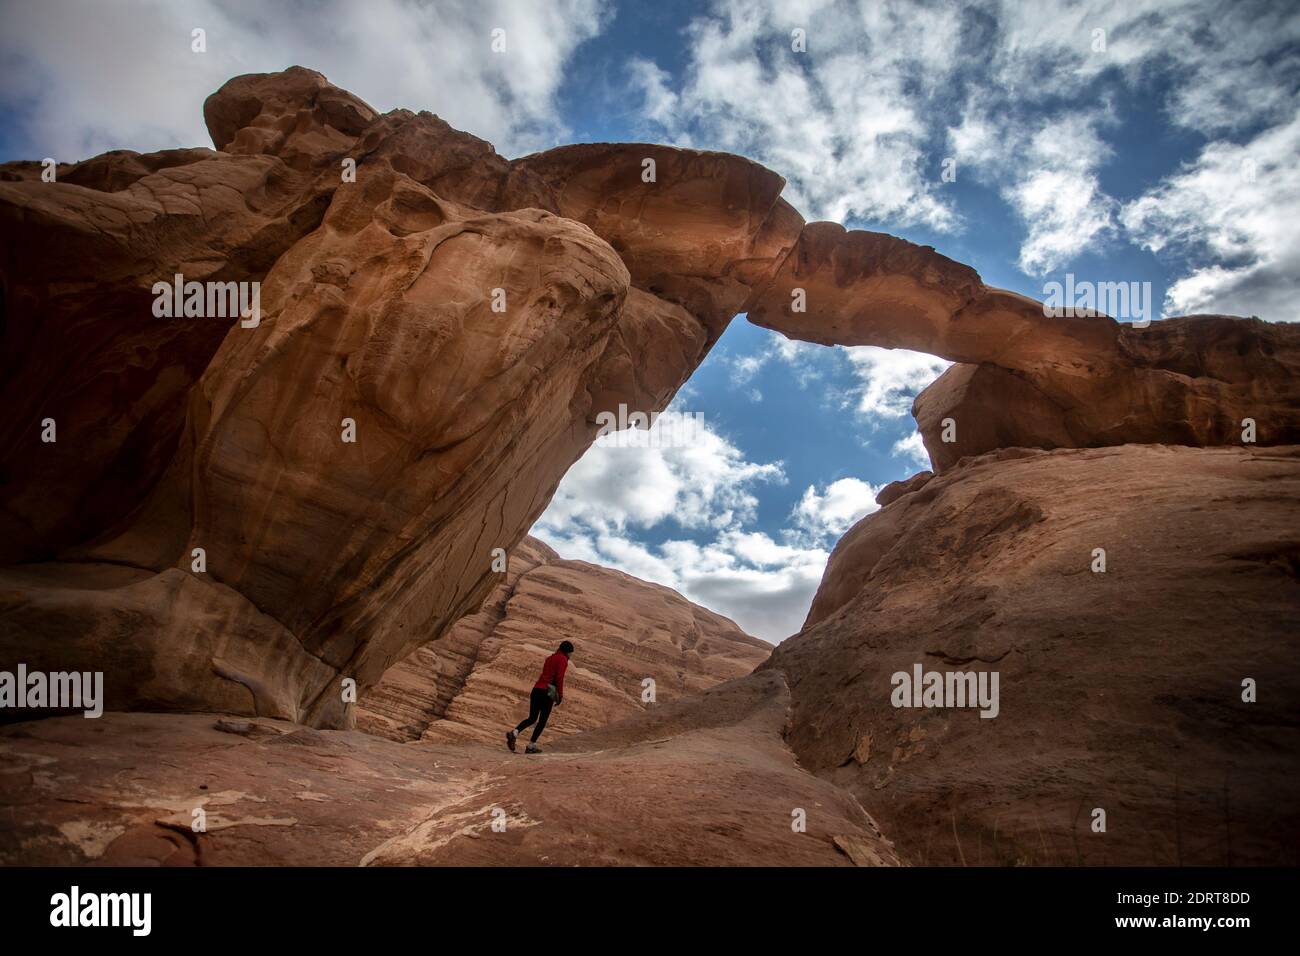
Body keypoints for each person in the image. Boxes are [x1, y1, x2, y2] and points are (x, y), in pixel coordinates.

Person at [507, 640, 573, 754]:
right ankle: (531, 746)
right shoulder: (562, 659)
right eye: (570, 653)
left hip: (537, 689)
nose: (570, 655)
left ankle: (514, 732)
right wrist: (560, 695)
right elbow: (559, 677)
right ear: (567, 651)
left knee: (532, 718)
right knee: (542, 721)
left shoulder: (550, 658)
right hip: (547, 692)